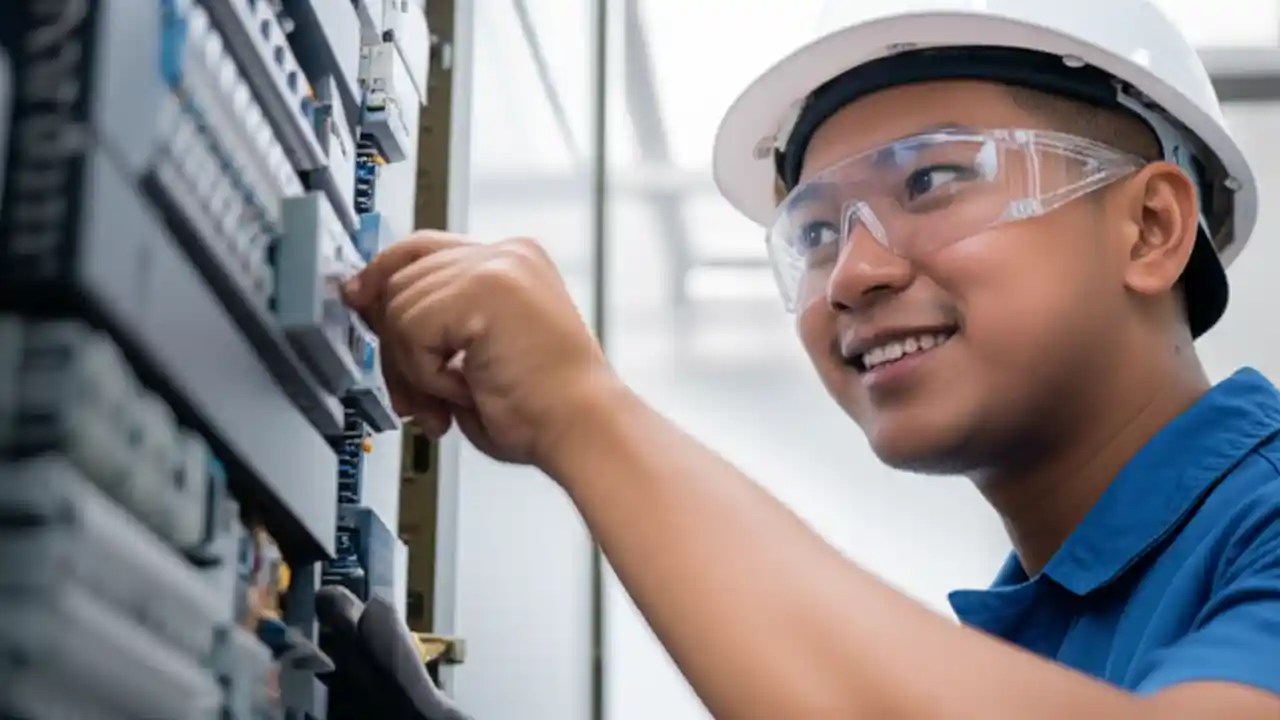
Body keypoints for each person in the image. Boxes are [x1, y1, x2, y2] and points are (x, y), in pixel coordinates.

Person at [342, 0, 1280, 717]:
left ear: (1152, 228)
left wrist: (581, 413)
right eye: (817, 231)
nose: (854, 273)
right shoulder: (1028, 637)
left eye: (933, 180)